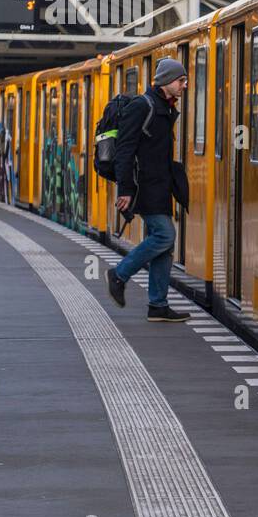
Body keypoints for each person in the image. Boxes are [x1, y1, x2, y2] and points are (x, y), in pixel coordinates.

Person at [105, 58, 191, 322]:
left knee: (164, 247)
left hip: (160, 186)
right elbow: (125, 149)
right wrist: (125, 190)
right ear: (166, 81)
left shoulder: (163, 107)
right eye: (181, 81)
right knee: (165, 235)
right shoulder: (142, 106)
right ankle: (119, 273)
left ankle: (157, 305)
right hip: (144, 187)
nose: (185, 85)